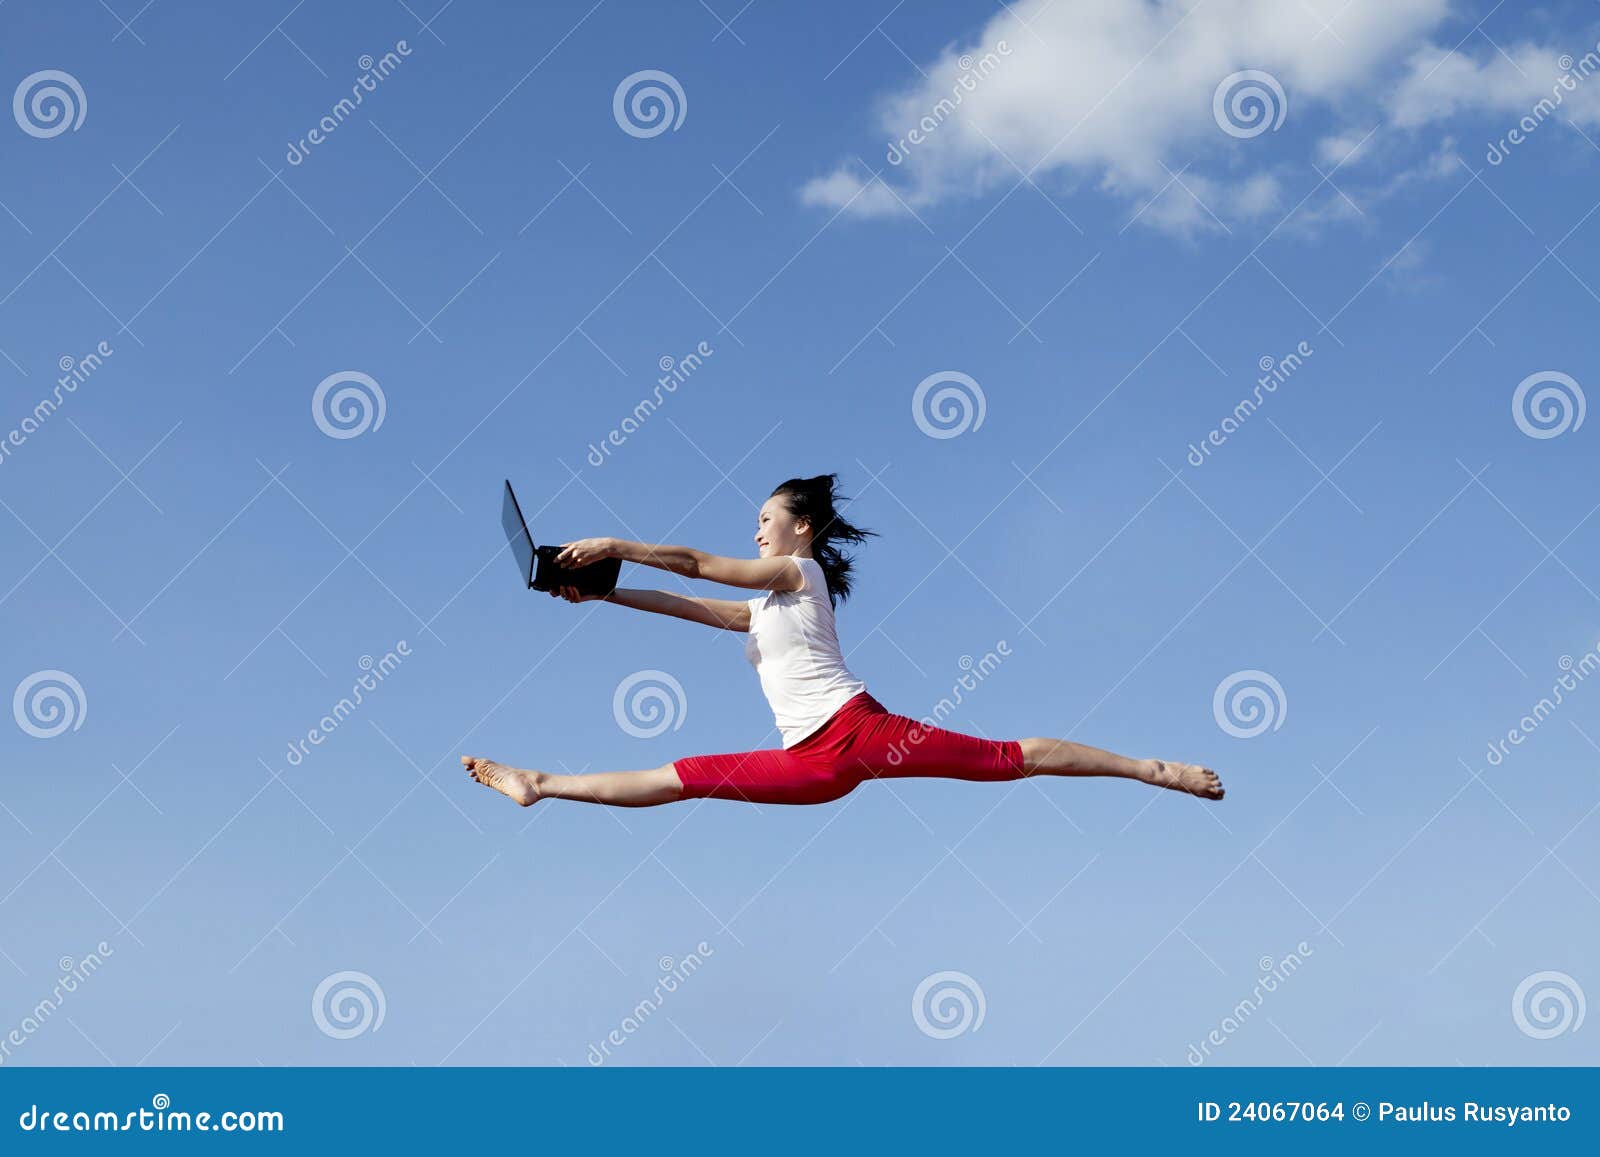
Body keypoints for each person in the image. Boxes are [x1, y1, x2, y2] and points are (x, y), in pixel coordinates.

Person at [463, 474, 1223, 809]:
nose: (757, 531)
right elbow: (684, 602)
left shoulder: (800, 573)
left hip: (861, 732)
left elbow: (694, 564)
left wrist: (617, 542)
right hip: (810, 765)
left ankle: (1153, 769)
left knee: (1004, 760)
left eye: (765, 520)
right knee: (677, 778)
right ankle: (538, 784)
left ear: (802, 528)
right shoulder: (766, 607)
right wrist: (603, 592)